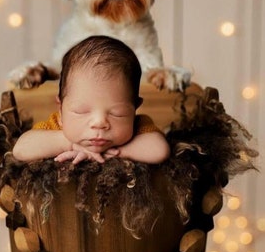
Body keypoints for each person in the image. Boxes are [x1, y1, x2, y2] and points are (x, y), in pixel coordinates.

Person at [12, 36, 171, 165]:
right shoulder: (56, 126)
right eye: (81, 111)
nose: (99, 123)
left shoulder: (139, 127)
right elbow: (21, 149)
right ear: (61, 110)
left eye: (118, 113)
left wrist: (119, 151)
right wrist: (70, 144)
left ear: (135, 109)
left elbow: (159, 150)